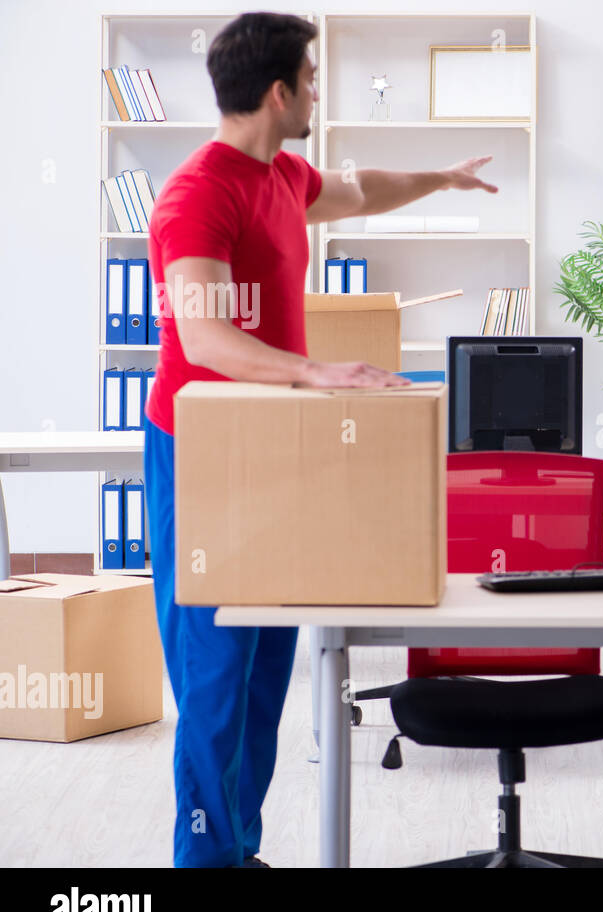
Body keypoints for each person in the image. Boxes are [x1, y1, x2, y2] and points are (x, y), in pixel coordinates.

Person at [142, 12, 498, 867]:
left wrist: (442, 179)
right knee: (216, 682)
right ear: (277, 91)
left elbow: (361, 188)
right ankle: (203, 861)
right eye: (309, 77)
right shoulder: (196, 195)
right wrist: (313, 371)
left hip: (270, 451)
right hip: (203, 459)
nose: (316, 90)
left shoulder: (283, 175)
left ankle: (239, 848)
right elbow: (206, 342)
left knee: (267, 677)